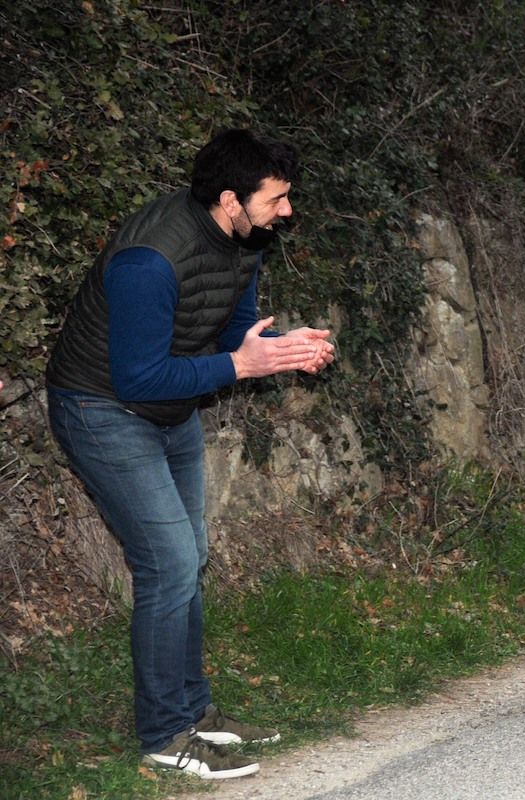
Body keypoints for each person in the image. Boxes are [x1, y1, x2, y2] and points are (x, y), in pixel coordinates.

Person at [45, 129, 335, 780]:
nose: (287, 211)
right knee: (169, 561)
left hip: (170, 409)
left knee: (189, 556)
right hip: (102, 408)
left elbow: (236, 332)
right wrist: (240, 365)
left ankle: (194, 714)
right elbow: (137, 378)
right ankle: (164, 736)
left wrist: (280, 349)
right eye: (277, 198)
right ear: (230, 199)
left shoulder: (246, 239)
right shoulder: (150, 260)